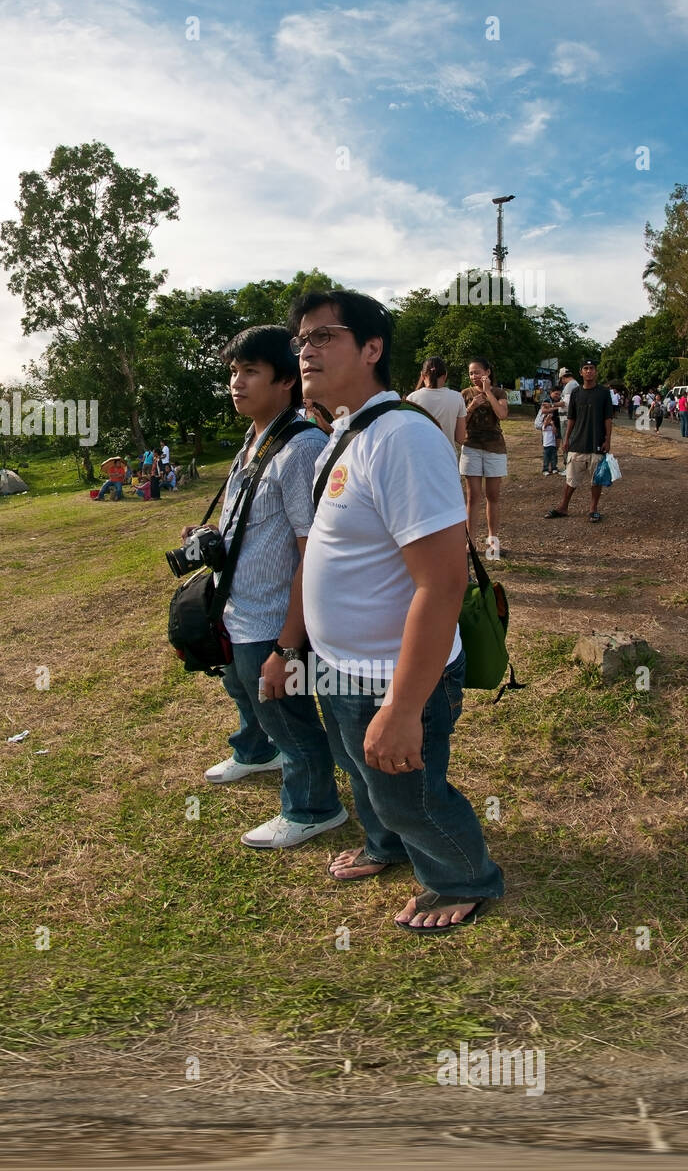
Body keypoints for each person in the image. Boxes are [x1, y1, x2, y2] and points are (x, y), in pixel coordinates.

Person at [278, 289, 502, 932]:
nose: (306, 350)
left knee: (410, 794)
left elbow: (443, 584)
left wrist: (403, 708)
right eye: (301, 340)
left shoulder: (402, 437)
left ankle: (461, 879)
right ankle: (386, 845)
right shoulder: (343, 436)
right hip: (340, 665)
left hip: (391, 673)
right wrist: (295, 649)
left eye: (324, 336)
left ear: (373, 348)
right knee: (364, 774)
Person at [197, 325, 343, 852]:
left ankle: (314, 807)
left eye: (251, 371)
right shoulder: (254, 437)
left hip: (274, 616)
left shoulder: (301, 447)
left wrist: (289, 644)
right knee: (244, 690)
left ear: (285, 380)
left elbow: (313, 550)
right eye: (233, 372)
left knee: (289, 716)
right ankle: (256, 751)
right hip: (238, 605)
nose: (236, 383)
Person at [549, 360, 618, 522]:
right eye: (585, 368)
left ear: (596, 371)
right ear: (581, 372)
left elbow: (608, 418)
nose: (589, 371)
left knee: (596, 479)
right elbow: (571, 418)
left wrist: (608, 440)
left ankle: (593, 509)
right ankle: (563, 507)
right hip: (577, 442)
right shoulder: (576, 393)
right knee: (571, 479)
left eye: (591, 368)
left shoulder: (603, 393)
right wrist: (566, 438)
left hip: (597, 443)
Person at [458, 358, 511, 557]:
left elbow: (502, 414)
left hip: (494, 448)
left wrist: (488, 392)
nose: (474, 376)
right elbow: (460, 423)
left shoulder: (498, 393)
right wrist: (471, 406)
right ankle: (470, 543)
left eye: (477, 372)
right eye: (471, 373)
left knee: (493, 496)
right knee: (473, 497)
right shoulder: (465, 394)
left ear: (487, 372)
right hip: (471, 447)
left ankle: (492, 542)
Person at [408, 357, 467, 456]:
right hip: (447, 456)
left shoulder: (412, 398)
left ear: (422, 375)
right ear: (445, 375)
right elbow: (460, 438)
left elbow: (409, 434)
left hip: (420, 456)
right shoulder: (457, 397)